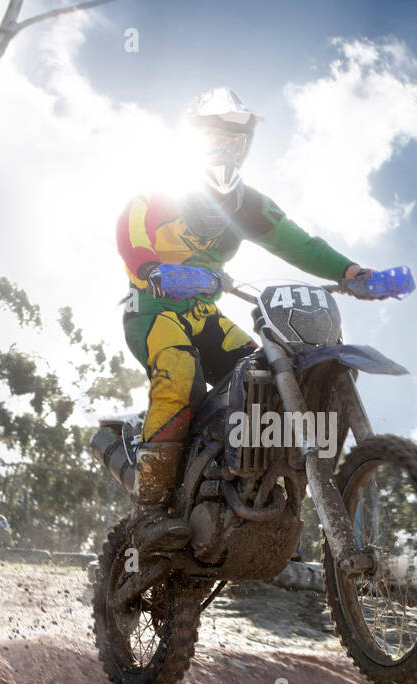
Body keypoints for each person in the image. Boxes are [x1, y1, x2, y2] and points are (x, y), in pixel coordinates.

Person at [115, 87, 380, 552]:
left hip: (203, 316)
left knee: (265, 373)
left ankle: (243, 479)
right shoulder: (161, 194)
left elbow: (299, 243)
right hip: (152, 311)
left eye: (234, 140)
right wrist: (152, 270)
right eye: (214, 138)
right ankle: (152, 508)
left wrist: (351, 272)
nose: (225, 148)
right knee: (178, 369)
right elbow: (130, 229)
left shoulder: (248, 205)